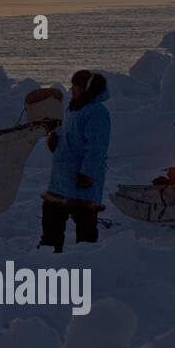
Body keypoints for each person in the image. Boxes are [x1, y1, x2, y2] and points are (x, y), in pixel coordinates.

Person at [39, 70, 110, 252]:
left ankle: (85, 260)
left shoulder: (97, 113)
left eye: (76, 86)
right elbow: (68, 134)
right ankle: (48, 253)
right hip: (61, 180)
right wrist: (55, 138)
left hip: (81, 182)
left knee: (85, 229)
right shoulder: (74, 109)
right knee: (51, 221)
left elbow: (96, 148)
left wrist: (88, 173)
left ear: (87, 88)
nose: (72, 89)